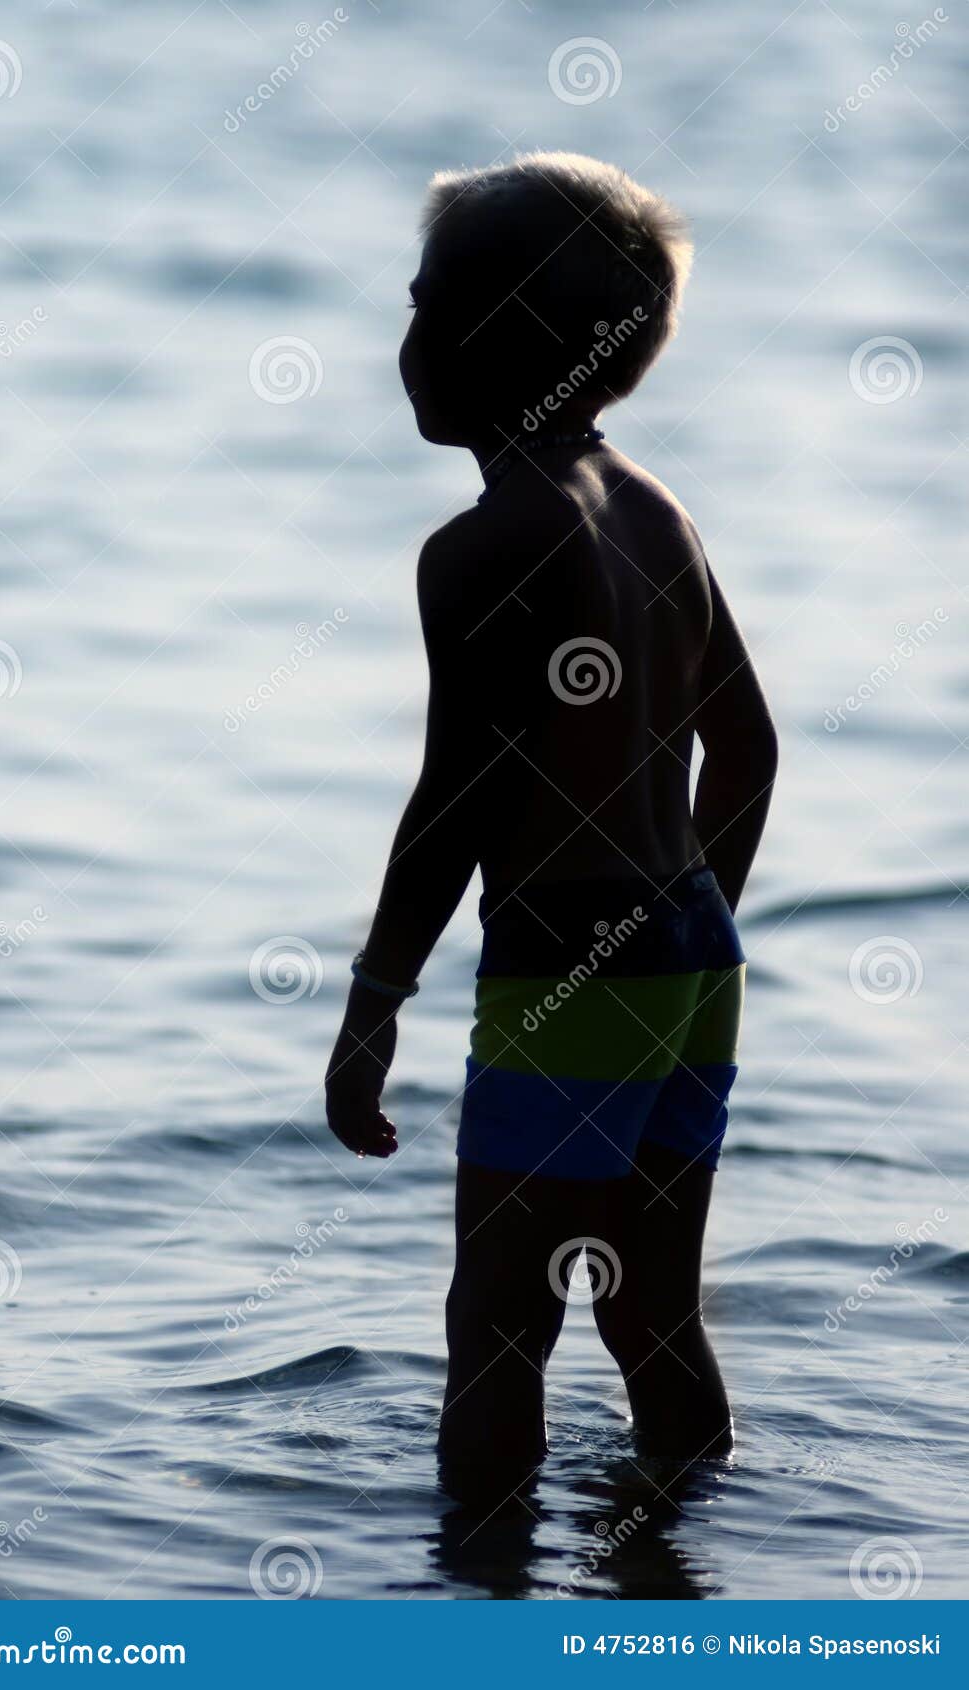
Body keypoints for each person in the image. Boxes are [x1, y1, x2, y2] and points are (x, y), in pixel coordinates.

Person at [324, 153, 778, 1503]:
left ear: (484, 337)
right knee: (651, 1315)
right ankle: (678, 1556)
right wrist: (695, 927)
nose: (403, 337)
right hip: (687, 949)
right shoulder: (656, 513)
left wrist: (374, 998)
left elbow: (456, 799)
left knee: (498, 1325)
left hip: (566, 957)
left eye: (421, 305)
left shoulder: (483, 547)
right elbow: (746, 745)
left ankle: (483, 1594)